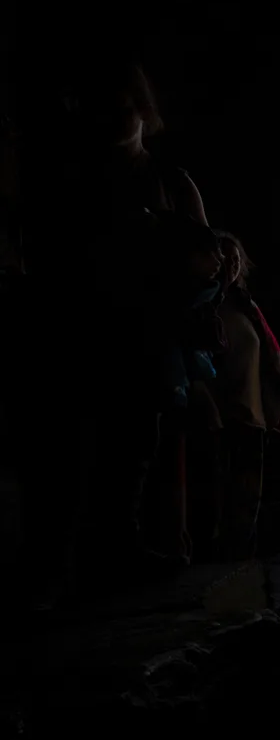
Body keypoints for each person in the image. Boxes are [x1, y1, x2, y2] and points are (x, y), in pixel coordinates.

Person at [58, 58, 223, 583]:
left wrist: (160, 237)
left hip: (145, 334)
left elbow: (207, 264)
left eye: (125, 109)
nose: (114, 120)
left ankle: (119, 550)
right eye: (103, 110)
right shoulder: (73, 177)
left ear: (144, 112)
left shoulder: (169, 182)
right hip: (80, 330)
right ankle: (73, 562)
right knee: (79, 451)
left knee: (134, 450)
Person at [202, 231, 280, 561]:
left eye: (236, 259)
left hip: (250, 420)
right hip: (214, 420)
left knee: (245, 505)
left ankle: (238, 576)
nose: (230, 264)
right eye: (223, 257)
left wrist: (273, 410)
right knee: (214, 503)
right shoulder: (201, 307)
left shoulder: (247, 310)